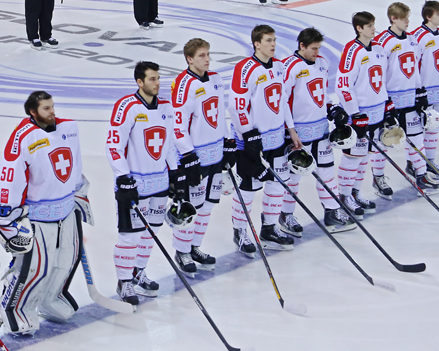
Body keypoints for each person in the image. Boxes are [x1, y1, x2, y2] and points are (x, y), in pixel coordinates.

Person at [0, 91, 91, 335]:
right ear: (32, 112)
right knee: (37, 268)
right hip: (38, 217)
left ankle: (50, 297)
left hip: (66, 210)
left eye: (52, 106)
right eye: (46, 109)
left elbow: (75, 163)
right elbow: (10, 179)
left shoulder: (69, 128)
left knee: (67, 261)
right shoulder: (23, 137)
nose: (52, 112)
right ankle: (14, 306)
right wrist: (7, 219)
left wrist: (80, 191)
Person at [107, 61, 177, 302]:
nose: (158, 83)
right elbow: (113, 145)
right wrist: (123, 176)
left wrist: (175, 173)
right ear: (140, 82)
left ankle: (138, 271)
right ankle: (124, 282)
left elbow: (169, 144)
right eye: (152, 79)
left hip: (159, 183)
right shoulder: (126, 107)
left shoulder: (166, 107)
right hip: (134, 185)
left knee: (151, 232)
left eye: (158, 78)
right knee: (130, 235)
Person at [229, 24, 303, 254]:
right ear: (256, 43)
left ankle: (269, 227)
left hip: (276, 140)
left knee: (277, 185)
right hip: (252, 142)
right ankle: (240, 231)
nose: (273, 44)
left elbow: (281, 103)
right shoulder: (245, 68)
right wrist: (248, 135)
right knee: (249, 188)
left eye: (274, 40)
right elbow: (236, 105)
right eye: (268, 40)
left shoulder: (280, 67)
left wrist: (291, 129)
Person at [282, 28, 357, 233]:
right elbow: (282, 101)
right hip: (299, 132)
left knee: (326, 172)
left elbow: (321, 93)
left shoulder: (322, 63)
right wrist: (290, 129)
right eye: (313, 48)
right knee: (294, 177)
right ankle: (286, 215)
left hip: (320, 128)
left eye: (319, 47)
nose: (317, 52)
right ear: (302, 46)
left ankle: (332, 212)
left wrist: (332, 107)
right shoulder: (290, 67)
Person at [170, 39, 233, 273]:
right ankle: (182, 251)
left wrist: (227, 143)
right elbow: (178, 126)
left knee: (207, 207)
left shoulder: (216, 79)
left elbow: (218, 116)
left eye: (208, 54)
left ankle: (195, 246)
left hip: (215, 155)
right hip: (196, 158)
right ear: (189, 59)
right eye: (201, 55)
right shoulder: (183, 84)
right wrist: (188, 155)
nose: (207, 59)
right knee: (191, 206)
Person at [372, 3, 439, 196]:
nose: (407, 22)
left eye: (408, 18)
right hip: (391, 102)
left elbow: (414, 70)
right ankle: (378, 178)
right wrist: (385, 102)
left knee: (416, 139)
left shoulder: (412, 39)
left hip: (410, 99)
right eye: (403, 18)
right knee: (385, 141)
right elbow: (378, 76)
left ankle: (421, 174)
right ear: (393, 19)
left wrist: (420, 91)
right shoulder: (381, 42)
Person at [336, 11, 403, 216]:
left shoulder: (379, 48)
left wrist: (387, 105)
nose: (374, 29)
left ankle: (355, 192)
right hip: (360, 116)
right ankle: (344, 196)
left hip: (376, 113)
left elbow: (380, 81)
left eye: (374, 25)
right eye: (370, 26)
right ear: (359, 28)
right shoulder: (352, 50)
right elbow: (343, 86)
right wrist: (355, 114)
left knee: (365, 156)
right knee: (352, 157)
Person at [411, 1, 439, 178]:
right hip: (424, 91)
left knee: (434, 125)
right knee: (420, 129)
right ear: (428, 16)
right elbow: (412, 67)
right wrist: (419, 91)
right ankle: (415, 163)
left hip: (438, 89)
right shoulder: (418, 37)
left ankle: (430, 161)